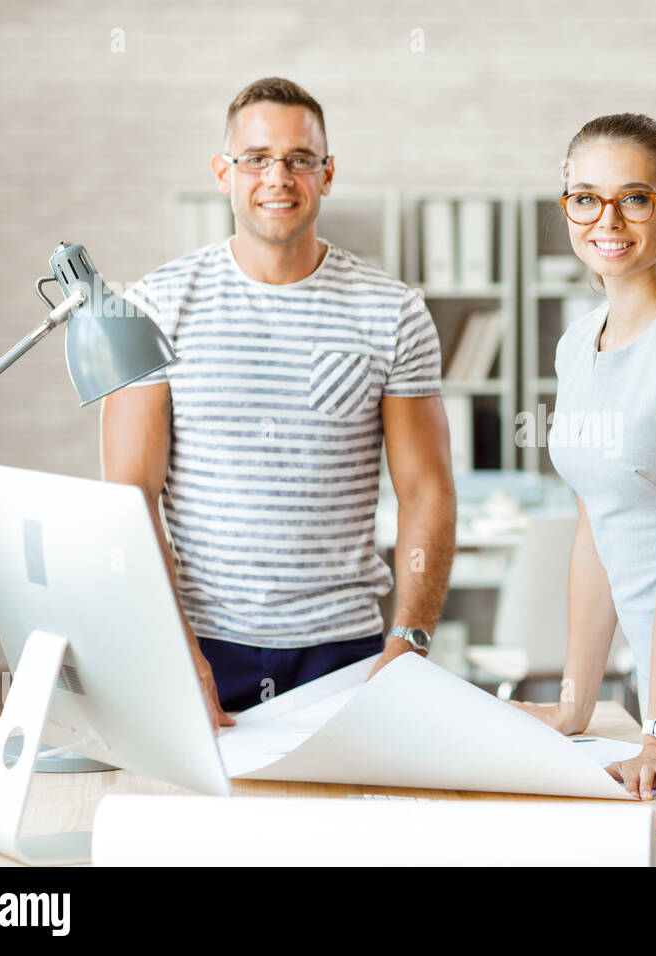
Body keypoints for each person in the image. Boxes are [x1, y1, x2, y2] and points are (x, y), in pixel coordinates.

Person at [102, 77, 456, 730]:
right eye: (258, 158)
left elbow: (427, 491)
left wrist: (409, 640)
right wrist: (174, 646)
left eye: (299, 160)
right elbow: (129, 494)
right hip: (201, 642)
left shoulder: (393, 311)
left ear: (327, 174)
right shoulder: (155, 304)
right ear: (223, 173)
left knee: (338, 829)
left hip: (344, 650)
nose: (279, 177)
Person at [512, 114, 656, 801]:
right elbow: (596, 539)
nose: (606, 218)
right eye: (585, 197)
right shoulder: (579, 341)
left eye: (634, 197)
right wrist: (574, 704)